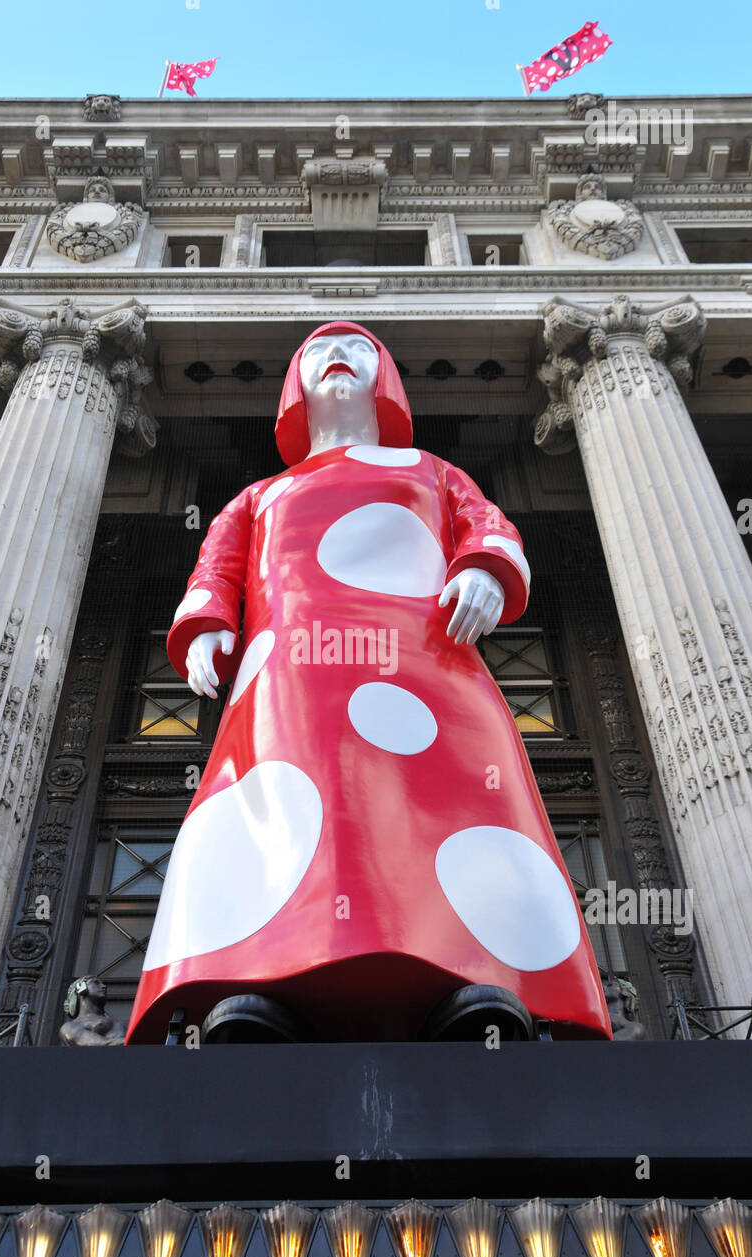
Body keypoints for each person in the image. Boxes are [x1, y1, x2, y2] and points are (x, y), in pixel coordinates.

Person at [125, 320, 611, 1044]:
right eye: (318, 352)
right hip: (294, 671)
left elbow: (487, 526)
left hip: (427, 658)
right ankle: (267, 978)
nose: (337, 359)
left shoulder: (432, 471)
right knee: (290, 808)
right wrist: (205, 626)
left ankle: (474, 974)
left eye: (357, 349)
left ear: (384, 378)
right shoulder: (259, 495)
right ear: (296, 388)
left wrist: (483, 567)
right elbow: (216, 568)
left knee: (449, 805)